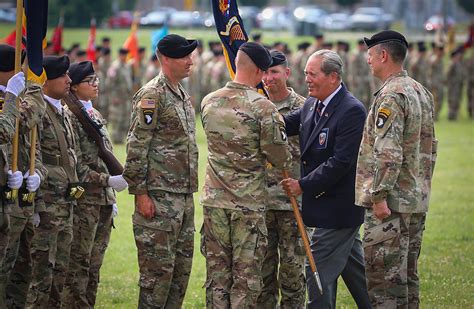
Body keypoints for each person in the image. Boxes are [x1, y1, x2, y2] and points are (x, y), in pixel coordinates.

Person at [200, 42, 292, 308]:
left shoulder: (209, 101)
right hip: (247, 205)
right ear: (261, 72)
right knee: (246, 277)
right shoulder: (263, 108)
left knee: (217, 278)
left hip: (214, 201)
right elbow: (279, 157)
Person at [281, 49, 370, 309]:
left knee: (317, 267)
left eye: (313, 74)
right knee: (356, 271)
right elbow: (285, 124)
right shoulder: (312, 103)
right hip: (323, 208)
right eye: (306, 73)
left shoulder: (352, 110)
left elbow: (341, 162)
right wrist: (257, 110)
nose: (306, 79)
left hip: (339, 210)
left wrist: (302, 185)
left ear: (333, 77)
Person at [355, 30, 437, 308]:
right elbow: (429, 149)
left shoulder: (390, 96)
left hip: (390, 206)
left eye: (370, 53)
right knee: (407, 279)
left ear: (383, 55)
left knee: (385, 285)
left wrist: (378, 197)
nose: (367, 59)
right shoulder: (420, 91)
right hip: (414, 200)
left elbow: (388, 154)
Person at [123, 34, 199, 308]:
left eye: (191, 55)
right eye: (184, 56)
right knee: (157, 278)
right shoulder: (152, 95)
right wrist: (140, 193)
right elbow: (136, 146)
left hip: (183, 197)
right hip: (159, 198)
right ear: (166, 59)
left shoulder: (179, 94)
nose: (191, 61)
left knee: (180, 275)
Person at [61, 61, 128, 308]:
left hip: (103, 201)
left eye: (96, 79)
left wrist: (110, 192)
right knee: (77, 267)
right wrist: (107, 180)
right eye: (90, 81)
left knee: (94, 268)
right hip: (84, 201)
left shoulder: (94, 114)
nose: (95, 84)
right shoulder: (70, 116)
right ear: (75, 87)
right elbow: (75, 165)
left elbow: (105, 153)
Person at [25, 55, 81, 308]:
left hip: (65, 205)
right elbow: (31, 159)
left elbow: (70, 159)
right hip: (45, 206)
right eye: (62, 76)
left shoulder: (63, 111)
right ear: (45, 81)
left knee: (60, 275)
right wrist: (33, 206)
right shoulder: (38, 112)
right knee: (40, 278)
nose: (69, 80)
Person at [256, 50, 306, 308]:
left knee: (293, 274)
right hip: (261, 203)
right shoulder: (255, 105)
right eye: (264, 72)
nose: (268, 77)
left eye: (274, 72)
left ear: (286, 73)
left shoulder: (304, 107)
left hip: (292, 203)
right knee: (263, 276)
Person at [0, 44, 45, 308]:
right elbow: (4, 132)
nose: (24, 74)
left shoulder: (14, 101)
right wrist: (14, 98)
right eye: (20, 68)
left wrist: (36, 171)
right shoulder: (10, 102)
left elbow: (30, 122)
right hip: (4, 200)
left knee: (22, 272)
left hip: (19, 202)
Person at [107, 47, 132, 143]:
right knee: (116, 118)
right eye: (123, 55)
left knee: (125, 118)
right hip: (117, 98)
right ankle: (115, 139)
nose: (124, 57)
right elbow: (109, 83)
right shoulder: (115, 67)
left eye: (126, 55)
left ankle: (121, 139)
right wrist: (113, 97)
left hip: (125, 98)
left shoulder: (126, 66)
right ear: (119, 55)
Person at [350, 40, 372, 110]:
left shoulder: (365, 54)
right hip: (358, 78)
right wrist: (353, 79)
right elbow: (352, 68)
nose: (363, 47)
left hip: (365, 78)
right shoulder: (355, 54)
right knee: (358, 96)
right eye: (362, 45)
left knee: (366, 96)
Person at [446, 46, 465, 121]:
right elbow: (447, 73)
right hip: (453, 85)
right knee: (452, 100)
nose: (459, 56)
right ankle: (451, 116)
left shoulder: (459, 63)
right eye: (458, 55)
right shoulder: (452, 63)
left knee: (457, 99)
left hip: (459, 85)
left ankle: (455, 115)